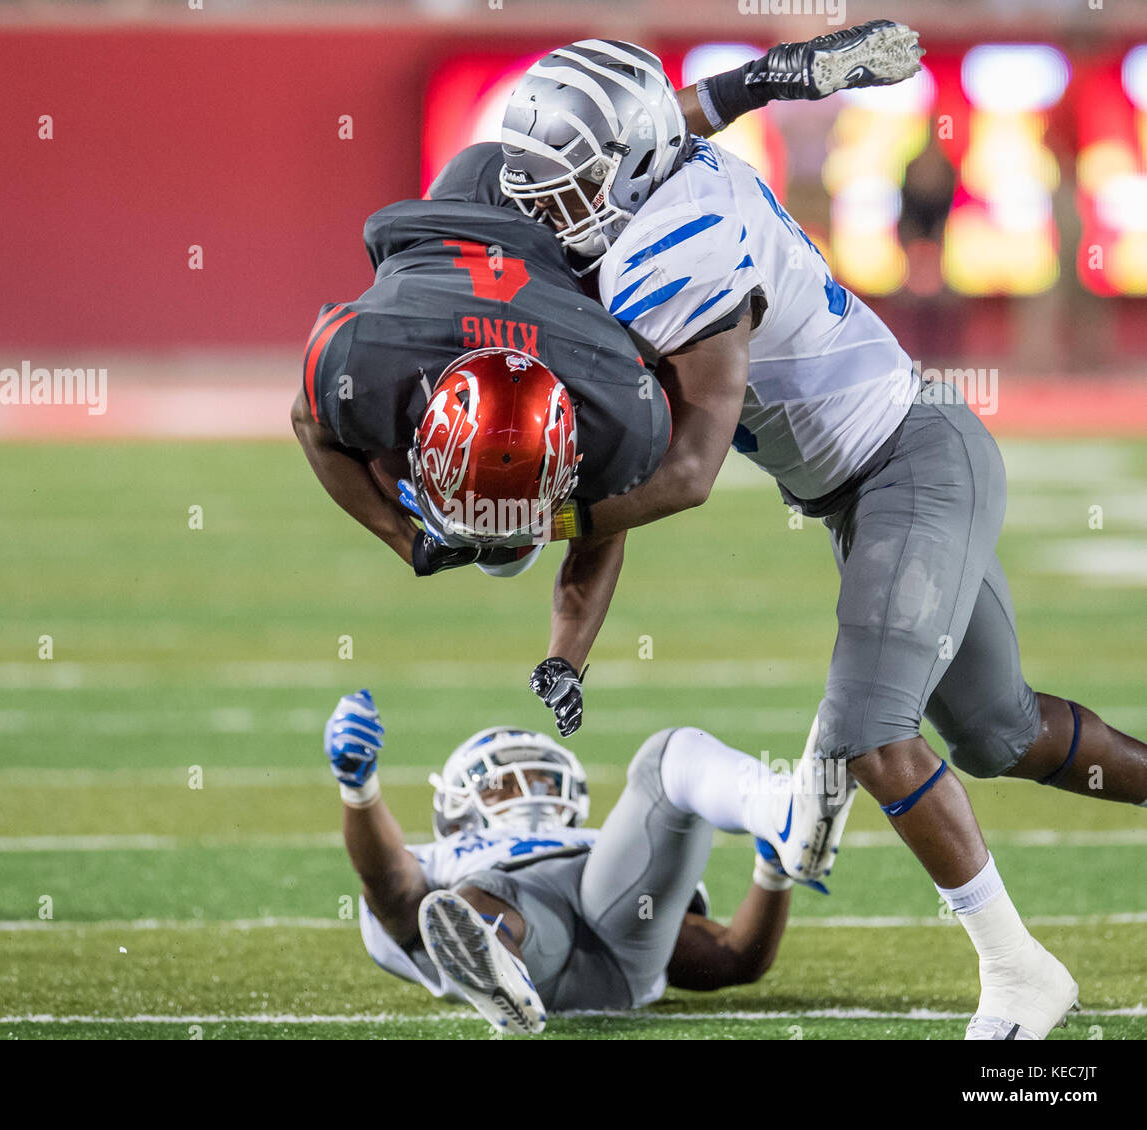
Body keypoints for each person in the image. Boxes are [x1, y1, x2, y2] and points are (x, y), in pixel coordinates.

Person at [494, 37, 1147, 1040]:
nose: (549, 210)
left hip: (908, 465)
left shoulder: (669, 259)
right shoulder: (660, 164)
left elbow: (680, 475)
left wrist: (545, 515)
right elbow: (690, 107)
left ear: (623, 170)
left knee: (873, 737)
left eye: (568, 186)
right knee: (998, 732)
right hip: (875, 484)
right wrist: (564, 645)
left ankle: (1019, 972)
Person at [293, 21, 926, 580]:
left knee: (591, 180)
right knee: (599, 180)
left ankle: (752, 84)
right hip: (483, 261)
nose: (540, 203)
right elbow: (314, 422)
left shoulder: (383, 364)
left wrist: (436, 541)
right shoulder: (385, 373)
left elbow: (680, 478)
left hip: (478, 229)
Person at [322, 689, 853, 1034]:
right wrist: (360, 789)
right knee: (470, 896)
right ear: (458, 804)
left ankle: (785, 817)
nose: (530, 789)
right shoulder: (442, 855)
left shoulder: (598, 842)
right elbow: (390, 889)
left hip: (616, 942)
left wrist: (772, 874)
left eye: (542, 778)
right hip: (527, 934)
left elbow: (734, 956)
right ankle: (495, 960)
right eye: (506, 780)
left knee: (670, 753)